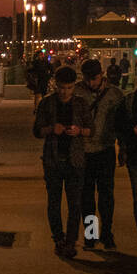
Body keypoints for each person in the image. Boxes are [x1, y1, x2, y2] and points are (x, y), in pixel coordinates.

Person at [34, 66, 91, 258]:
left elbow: (90, 129)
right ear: (55, 85)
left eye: (68, 88)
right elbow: (37, 131)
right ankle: (58, 238)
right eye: (61, 88)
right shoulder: (47, 104)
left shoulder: (81, 104)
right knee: (54, 203)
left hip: (75, 160)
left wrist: (79, 131)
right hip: (53, 160)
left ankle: (71, 241)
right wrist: (52, 129)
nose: (65, 92)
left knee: (75, 204)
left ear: (74, 86)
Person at [74, 59, 124, 249]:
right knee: (86, 197)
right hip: (83, 151)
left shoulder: (114, 94)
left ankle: (106, 233)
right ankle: (91, 235)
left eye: (94, 78)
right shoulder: (77, 92)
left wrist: (123, 149)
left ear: (101, 74)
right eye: (87, 78)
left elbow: (120, 124)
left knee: (106, 196)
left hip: (105, 150)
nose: (90, 83)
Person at [114, 63, 137, 252]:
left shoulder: (129, 100)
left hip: (136, 155)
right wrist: (129, 134)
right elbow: (121, 126)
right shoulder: (130, 101)